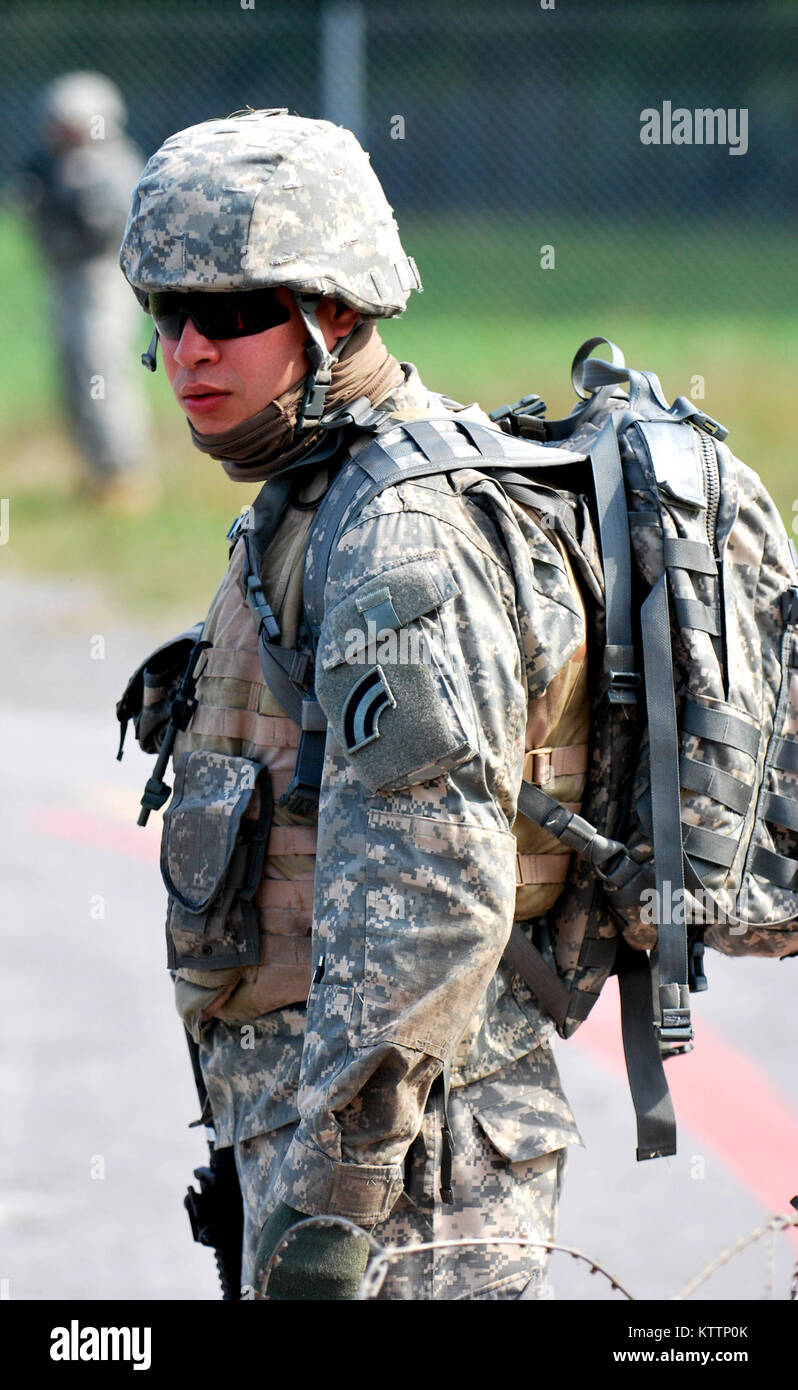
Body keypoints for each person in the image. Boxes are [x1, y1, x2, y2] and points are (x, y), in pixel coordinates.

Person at [119, 108, 589, 1300]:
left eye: (230, 314)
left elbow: (430, 905)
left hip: (409, 1182)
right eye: (167, 313)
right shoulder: (305, 494)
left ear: (333, 314)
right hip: (334, 1140)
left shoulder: (393, 545)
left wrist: (329, 1209)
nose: (188, 351)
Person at [18, 72, 154, 508]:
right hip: (68, 278)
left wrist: (71, 198)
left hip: (102, 279)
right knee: (75, 374)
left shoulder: (112, 163)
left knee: (101, 370)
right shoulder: (54, 163)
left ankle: (125, 471)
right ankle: (97, 470)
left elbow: (110, 226)